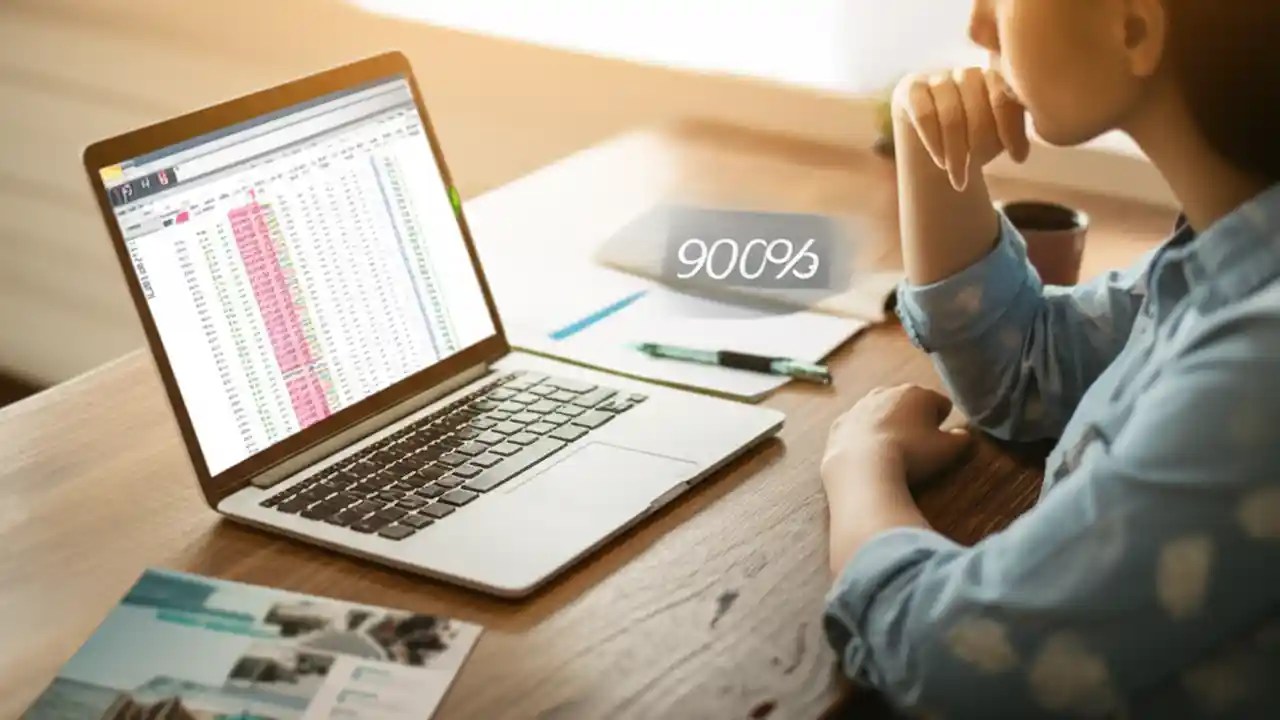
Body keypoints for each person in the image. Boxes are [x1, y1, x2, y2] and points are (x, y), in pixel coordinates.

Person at [820, 1, 1280, 717]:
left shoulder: (1261, 361)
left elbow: (949, 658)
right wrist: (926, 142)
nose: (978, 25)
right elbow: (1028, 372)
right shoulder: (1234, 250)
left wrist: (858, 465)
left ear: (1133, 28)